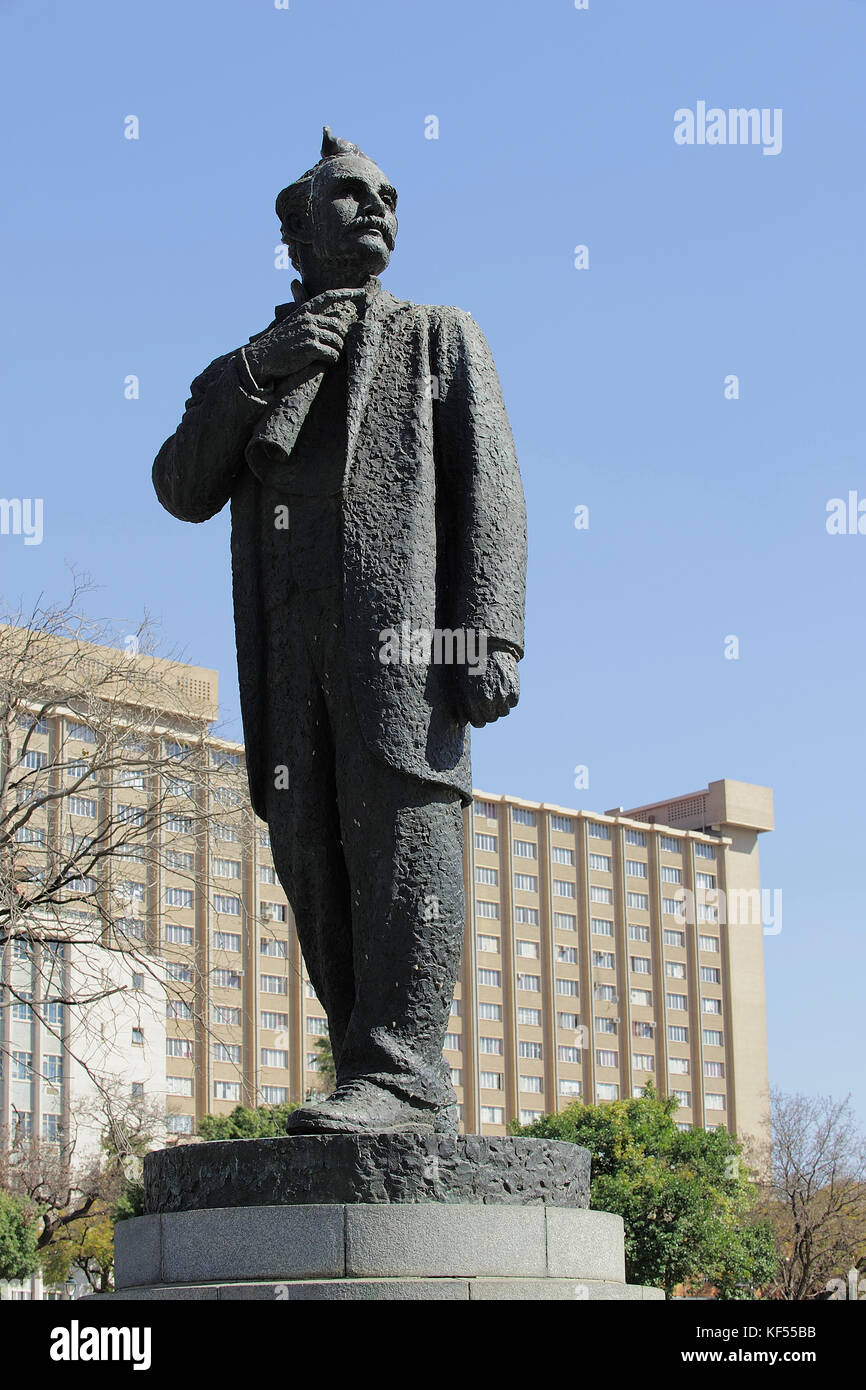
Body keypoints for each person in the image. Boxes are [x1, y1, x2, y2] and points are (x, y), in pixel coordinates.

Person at [153, 129, 526, 1134]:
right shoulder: (253, 364)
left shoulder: (437, 336)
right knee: (310, 849)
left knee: (403, 832)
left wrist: (490, 633)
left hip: (407, 647)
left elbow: (487, 488)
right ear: (298, 228)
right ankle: (363, 1064)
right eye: (353, 196)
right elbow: (181, 487)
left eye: (389, 198)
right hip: (285, 643)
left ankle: (402, 1074)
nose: (378, 212)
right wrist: (251, 371)